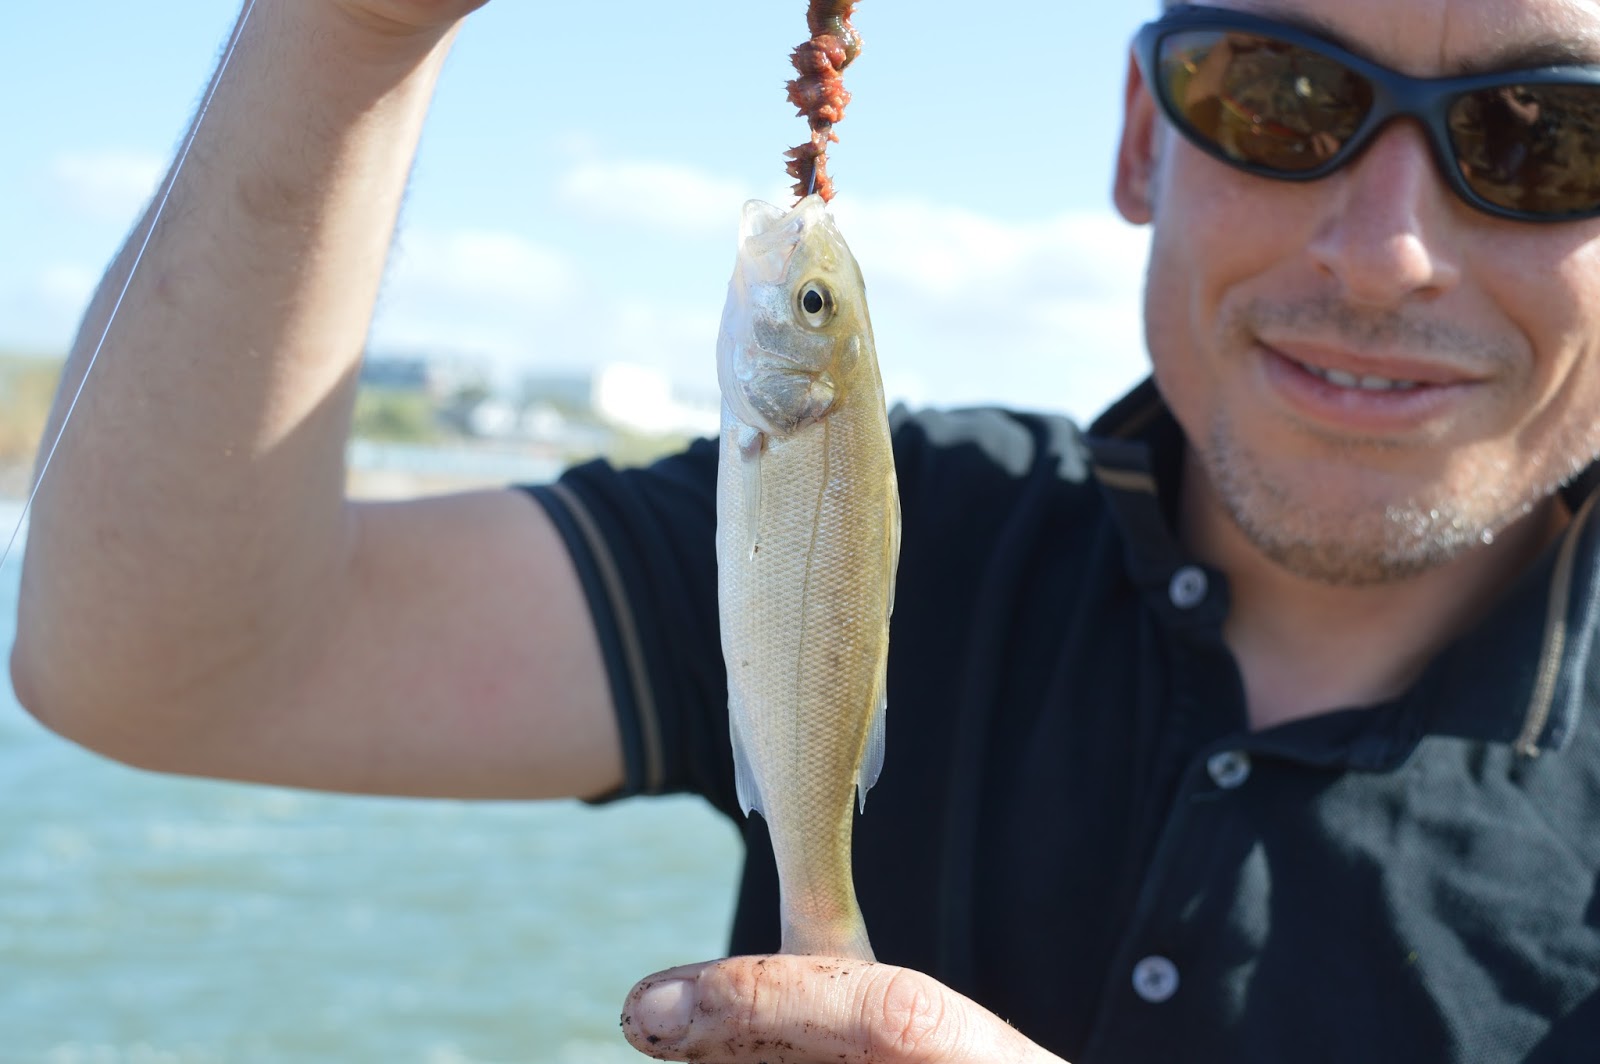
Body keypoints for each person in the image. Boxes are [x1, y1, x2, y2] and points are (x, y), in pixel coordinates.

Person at [13, 0, 1600, 1059]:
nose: (1385, 252)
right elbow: (152, 665)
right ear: (1142, 137)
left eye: (1549, 136)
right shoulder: (943, 519)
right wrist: (345, 30)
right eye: (1282, 98)